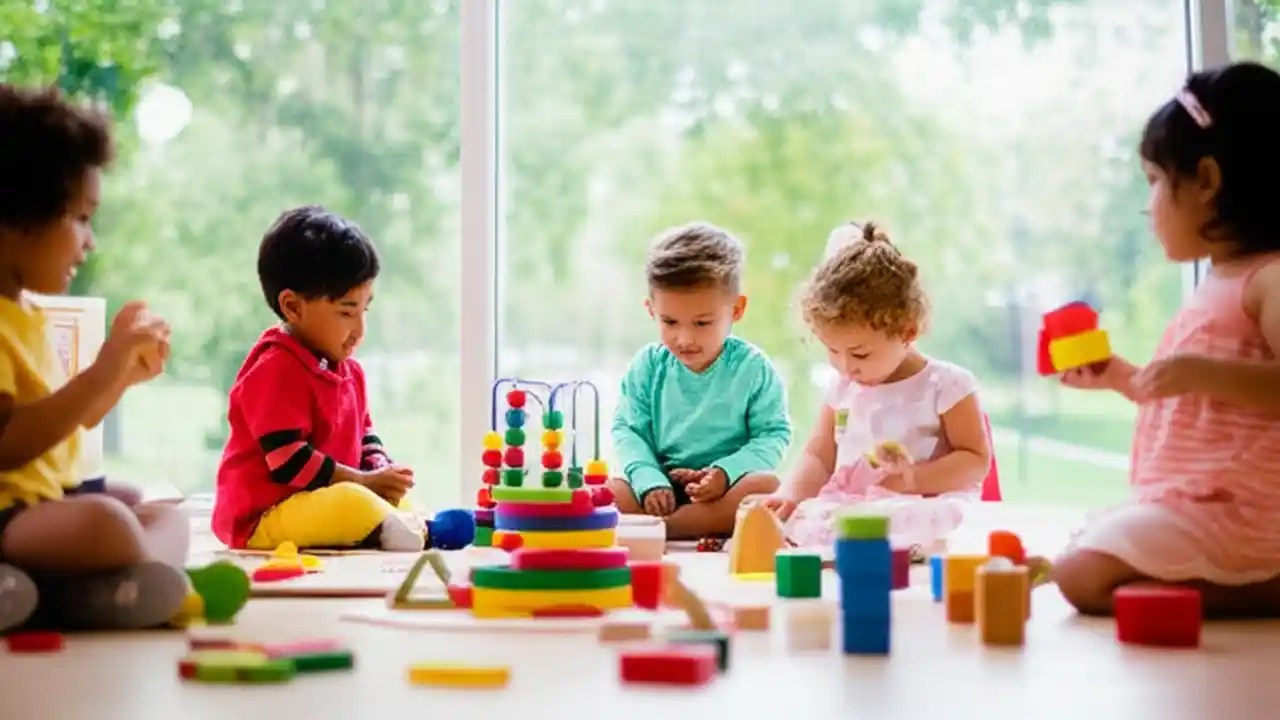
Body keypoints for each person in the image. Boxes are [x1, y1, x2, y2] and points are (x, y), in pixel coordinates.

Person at [1051, 62, 1280, 617]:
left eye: (1155, 181)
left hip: (1243, 512)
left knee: (1079, 572)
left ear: (1207, 180)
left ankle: (1266, 587)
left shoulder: (1269, 278)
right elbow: (1204, 402)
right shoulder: (1218, 282)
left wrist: (1199, 371)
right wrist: (1126, 378)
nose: (1146, 203)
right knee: (1083, 544)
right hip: (1196, 503)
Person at [0, 85, 189, 632]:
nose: (90, 243)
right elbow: (9, 442)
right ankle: (99, 590)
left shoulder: (27, 317)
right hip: (9, 518)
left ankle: (81, 591)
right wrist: (105, 368)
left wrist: (120, 377)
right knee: (107, 520)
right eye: (80, 219)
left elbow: (69, 419)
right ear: (15, 217)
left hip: (45, 503)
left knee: (158, 508)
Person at [762, 221, 990, 552]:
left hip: (920, 498)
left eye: (859, 353)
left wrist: (911, 480)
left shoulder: (946, 385)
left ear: (907, 332)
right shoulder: (842, 387)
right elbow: (819, 453)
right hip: (856, 502)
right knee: (808, 517)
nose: (845, 366)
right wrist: (792, 493)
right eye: (832, 351)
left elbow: (974, 461)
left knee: (912, 521)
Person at [211, 206, 424, 551]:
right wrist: (364, 481)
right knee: (352, 501)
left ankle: (413, 525)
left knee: (394, 500)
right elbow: (288, 461)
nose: (359, 330)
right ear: (293, 307)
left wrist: (381, 469)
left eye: (364, 310)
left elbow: (364, 432)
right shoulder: (275, 368)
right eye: (346, 312)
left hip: (324, 499)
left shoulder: (349, 371)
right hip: (264, 514)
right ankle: (391, 528)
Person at [607, 222, 789, 539]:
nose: (685, 338)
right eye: (669, 321)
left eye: (703, 323)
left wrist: (724, 473)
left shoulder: (752, 368)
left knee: (766, 486)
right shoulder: (648, 366)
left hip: (721, 493)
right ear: (650, 309)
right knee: (604, 490)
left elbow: (772, 435)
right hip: (657, 491)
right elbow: (629, 431)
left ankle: (667, 530)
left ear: (737, 309)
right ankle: (664, 522)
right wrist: (649, 479)